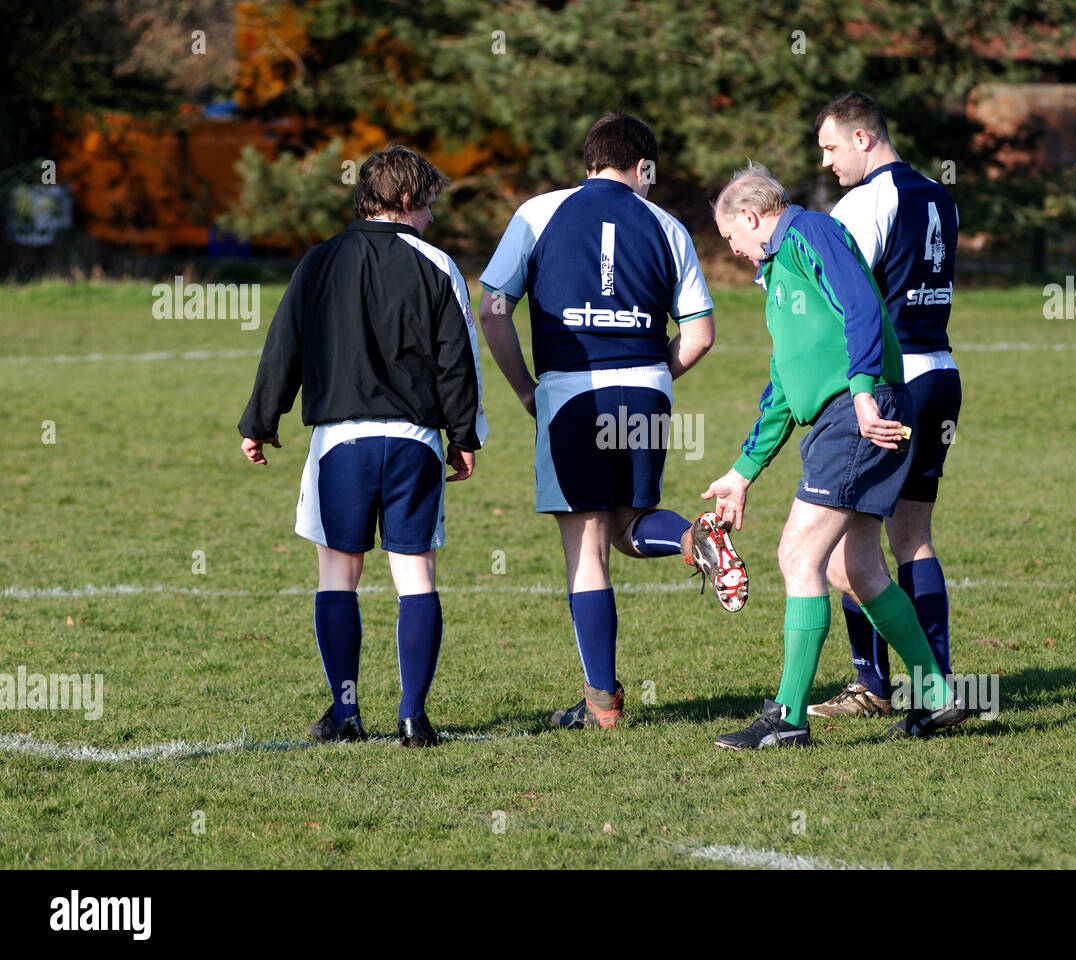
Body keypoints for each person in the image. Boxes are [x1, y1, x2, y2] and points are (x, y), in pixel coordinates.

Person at [478, 112, 744, 731]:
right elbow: (700, 335)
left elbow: (493, 310)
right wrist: (651, 377)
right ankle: (689, 538)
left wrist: (526, 389)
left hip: (571, 393)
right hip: (645, 389)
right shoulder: (668, 225)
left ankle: (602, 704)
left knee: (587, 548)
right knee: (629, 527)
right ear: (642, 167)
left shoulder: (537, 212)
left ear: (589, 160)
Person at [704, 162, 968, 749]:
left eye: (730, 237)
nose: (734, 249)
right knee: (855, 568)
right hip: (844, 414)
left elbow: (861, 305)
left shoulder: (811, 233)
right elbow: (785, 383)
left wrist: (864, 392)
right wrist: (742, 472)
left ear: (749, 216)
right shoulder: (778, 272)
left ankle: (788, 717)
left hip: (858, 416)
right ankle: (938, 695)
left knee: (798, 554)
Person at [238, 145, 488, 748]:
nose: (431, 218)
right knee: (416, 578)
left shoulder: (318, 262)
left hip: (339, 443)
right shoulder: (438, 265)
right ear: (405, 202)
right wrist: (464, 435)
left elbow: (284, 346)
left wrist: (261, 419)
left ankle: (346, 711)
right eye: (428, 206)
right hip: (414, 443)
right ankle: (412, 716)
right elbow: (459, 360)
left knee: (337, 578)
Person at [806, 91, 962, 721]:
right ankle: (938, 688)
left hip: (891, 384)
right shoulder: (940, 195)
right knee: (913, 539)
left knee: (849, 548)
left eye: (831, 146)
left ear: (864, 138)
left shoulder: (868, 201)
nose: (826, 161)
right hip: (943, 375)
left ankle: (874, 685)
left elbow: (842, 298)